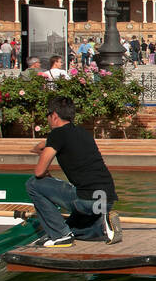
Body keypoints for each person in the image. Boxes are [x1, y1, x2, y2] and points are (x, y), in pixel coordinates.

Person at [27, 96, 120, 248]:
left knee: (32, 184)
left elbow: (39, 172)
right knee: (72, 227)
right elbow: (44, 146)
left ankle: (61, 236)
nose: (47, 120)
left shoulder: (56, 134)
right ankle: (103, 228)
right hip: (106, 199)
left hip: (87, 200)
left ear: (54, 116)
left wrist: (41, 154)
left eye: (47, 116)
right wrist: (41, 147)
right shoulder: (82, 132)